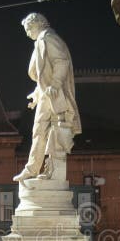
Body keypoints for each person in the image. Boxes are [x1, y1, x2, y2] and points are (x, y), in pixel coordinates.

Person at [12, 12, 81, 183]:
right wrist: (37, 93)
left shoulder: (49, 38)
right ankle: (41, 169)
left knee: (44, 131)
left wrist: (55, 84)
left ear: (38, 24)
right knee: (43, 132)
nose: (27, 32)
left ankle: (36, 169)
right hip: (47, 95)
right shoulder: (41, 40)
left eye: (28, 28)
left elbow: (61, 62)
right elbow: (44, 75)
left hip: (54, 96)